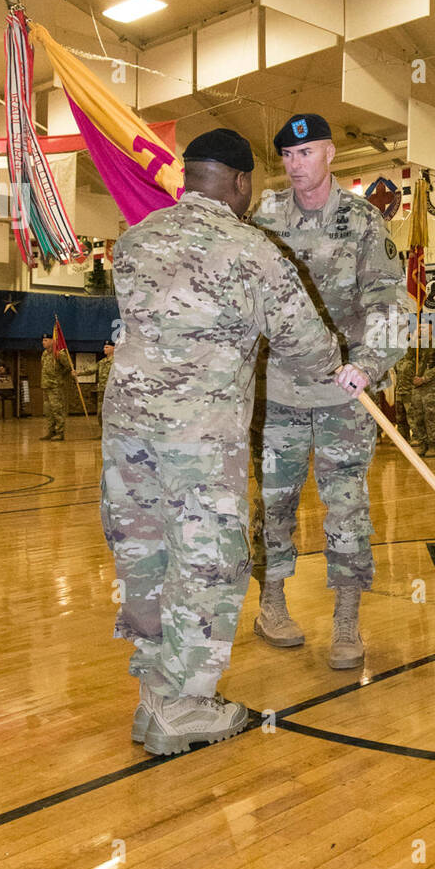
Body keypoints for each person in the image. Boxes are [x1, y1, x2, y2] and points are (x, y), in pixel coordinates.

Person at [101, 128, 341, 755]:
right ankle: (184, 706)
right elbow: (309, 347)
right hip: (200, 440)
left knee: (143, 553)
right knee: (207, 561)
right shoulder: (253, 252)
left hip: (127, 433)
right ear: (239, 183)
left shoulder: (133, 241)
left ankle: (157, 693)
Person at [250, 113, 408, 669]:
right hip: (279, 393)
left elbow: (391, 302)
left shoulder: (363, 221)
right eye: (288, 156)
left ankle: (346, 617)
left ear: (330, 154)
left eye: (307, 153)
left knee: (346, 506)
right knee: (275, 502)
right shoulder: (265, 216)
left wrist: (368, 363)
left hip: (345, 395)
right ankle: (271, 600)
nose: (296, 165)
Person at [409, 322, 435, 456]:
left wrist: (424, 379)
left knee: (431, 417)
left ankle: (432, 445)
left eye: (423, 327)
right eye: (419, 327)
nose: (420, 329)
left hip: (430, 388)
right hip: (416, 388)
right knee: (417, 417)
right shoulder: (416, 346)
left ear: (431, 329)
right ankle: (422, 444)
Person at [40, 332, 74, 441]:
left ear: (52, 341)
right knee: (48, 411)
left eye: (46, 340)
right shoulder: (45, 353)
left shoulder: (59, 353)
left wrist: (59, 377)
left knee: (57, 410)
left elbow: (68, 367)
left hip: (55, 386)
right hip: (46, 385)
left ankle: (60, 432)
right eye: (43, 340)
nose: (43, 342)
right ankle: (51, 431)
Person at [95, 340, 115, 427]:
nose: (104, 349)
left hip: (112, 392)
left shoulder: (117, 362)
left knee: (112, 412)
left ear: (113, 348)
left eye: (107, 347)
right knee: (100, 413)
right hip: (102, 391)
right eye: (104, 347)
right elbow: (91, 369)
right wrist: (77, 373)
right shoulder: (102, 362)